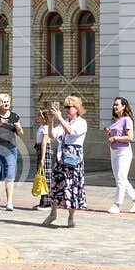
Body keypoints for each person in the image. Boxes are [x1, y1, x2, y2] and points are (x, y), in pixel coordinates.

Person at [43, 95, 88, 228]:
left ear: (77, 108)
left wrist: (60, 118)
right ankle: (53, 213)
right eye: (66, 107)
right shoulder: (63, 122)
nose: (67, 109)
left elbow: (70, 131)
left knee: (72, 186)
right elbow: (52, 135)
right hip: (61, 158)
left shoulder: (81, 122)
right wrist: (51, 121)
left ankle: (71, 217)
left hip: (73, 159)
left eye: (70, 107)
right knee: (57, 186)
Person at [105, 96, 135, 214]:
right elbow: (112, 137)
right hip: (114, 151)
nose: (115, 107)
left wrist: (115, 137)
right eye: (114, 104)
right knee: (119, 178)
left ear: (124, 106)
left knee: (121, 178)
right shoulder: (114, 120)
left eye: (117, 104)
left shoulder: (127, 120)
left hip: (124, 152)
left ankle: (117, 205)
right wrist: (109, 133)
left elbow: (130, 137)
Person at [32, 102, 56, 209]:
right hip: (40, 152)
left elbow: (44, 143)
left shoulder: (46, 128)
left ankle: (47, 202)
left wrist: (42, 158)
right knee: (41, 176)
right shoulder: (42, 126)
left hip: (44, 153)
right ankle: (43, 201)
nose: (38, 117)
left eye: (40, 116)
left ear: (44, 117)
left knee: (45, 177)